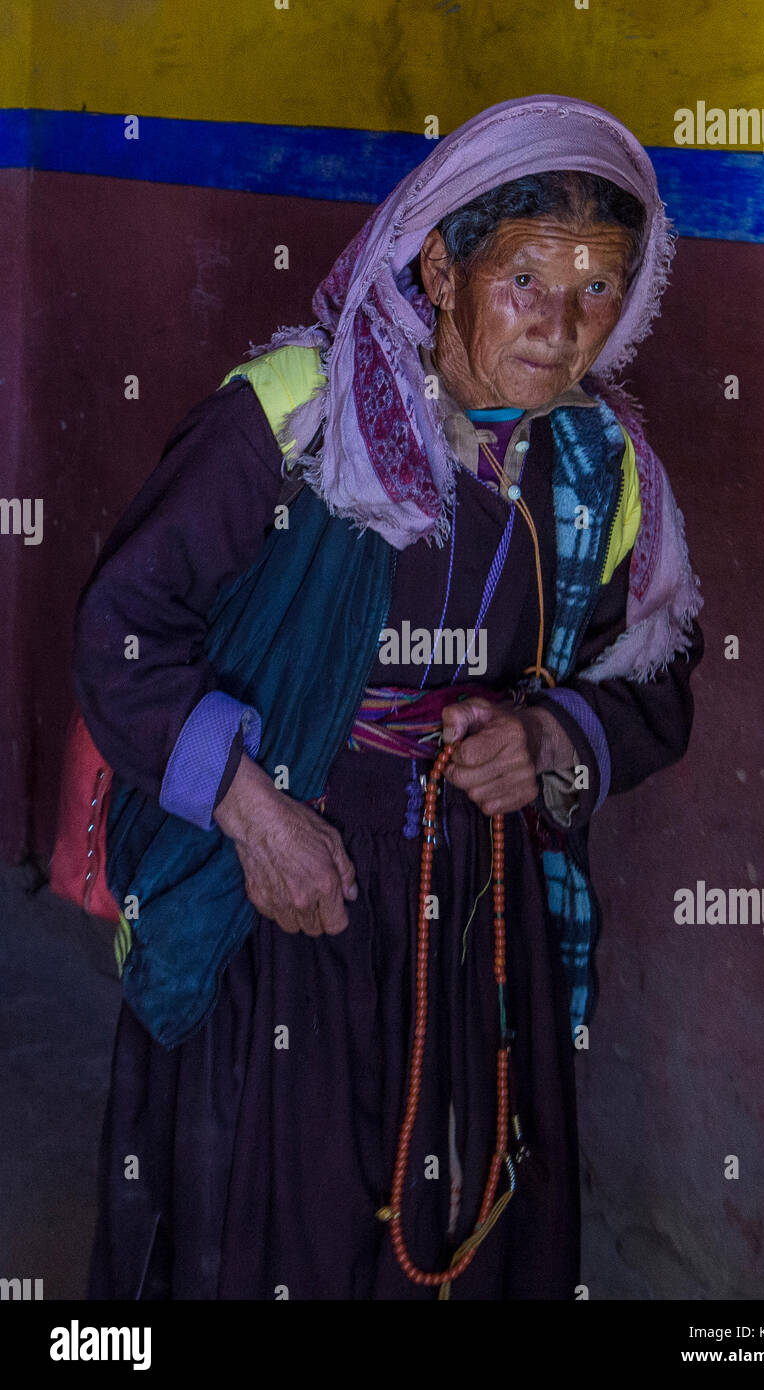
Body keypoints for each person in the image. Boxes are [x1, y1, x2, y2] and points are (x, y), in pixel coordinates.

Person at [74, 94, 704, 1300]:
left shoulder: (598, 467)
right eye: (524, 279)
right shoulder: (301, 414)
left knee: (469, 1209)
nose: (560, 327)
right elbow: (122, 629)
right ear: (440, 263)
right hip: (286, 887)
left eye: (597, 290)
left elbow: (658, 673)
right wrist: (256, 818)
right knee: (278, 1219)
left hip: (480, 899)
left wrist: (552, 736)